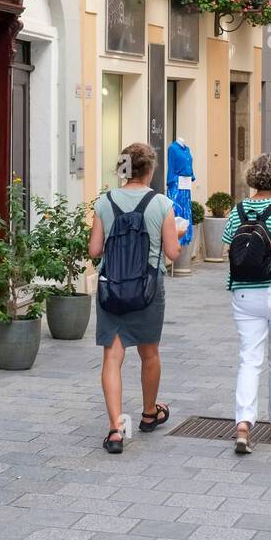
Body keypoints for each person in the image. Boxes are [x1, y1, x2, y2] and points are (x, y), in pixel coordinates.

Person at [89, 142, 186, 453]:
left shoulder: (105, 202)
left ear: (124, 168)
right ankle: (148, 414)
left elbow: (94, 251)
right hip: (147, 289)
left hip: (111, 286)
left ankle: (116, 429)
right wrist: (178, 237)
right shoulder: (161, 204)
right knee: (149, 354)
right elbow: (172, 253)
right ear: (151, 171)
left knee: (112, 357)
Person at [223, 153, 271, 455]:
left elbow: (228, 247)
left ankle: (243, 424)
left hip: (243, 293)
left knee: (249, 358)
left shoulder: (237, 209)